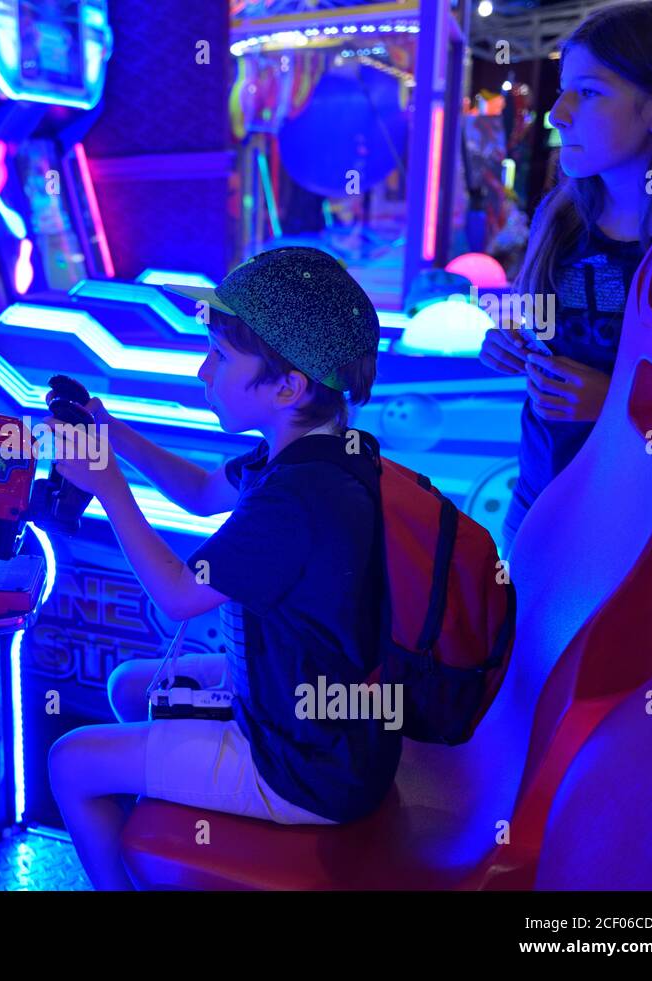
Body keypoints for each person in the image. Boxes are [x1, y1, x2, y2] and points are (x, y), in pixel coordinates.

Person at [45, 247, 396, 890]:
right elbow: (204, 492)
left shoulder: (299, 499)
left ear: (288, 386)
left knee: (69, 761)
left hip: (301, 764)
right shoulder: (315, 452)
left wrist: (109, 488)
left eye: (221, 357)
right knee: (129, 687)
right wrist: (112, 431)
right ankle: (171, 841)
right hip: (311, 714)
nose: (201, 371)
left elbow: (179, 597)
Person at [479, 0, 652, 553]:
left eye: (591, 92)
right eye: (564, 87)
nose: (558, 112)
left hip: (646, 521)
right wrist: (505, 339)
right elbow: (537, 316)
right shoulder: (561, 214)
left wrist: (619, 403)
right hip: (540, 491)